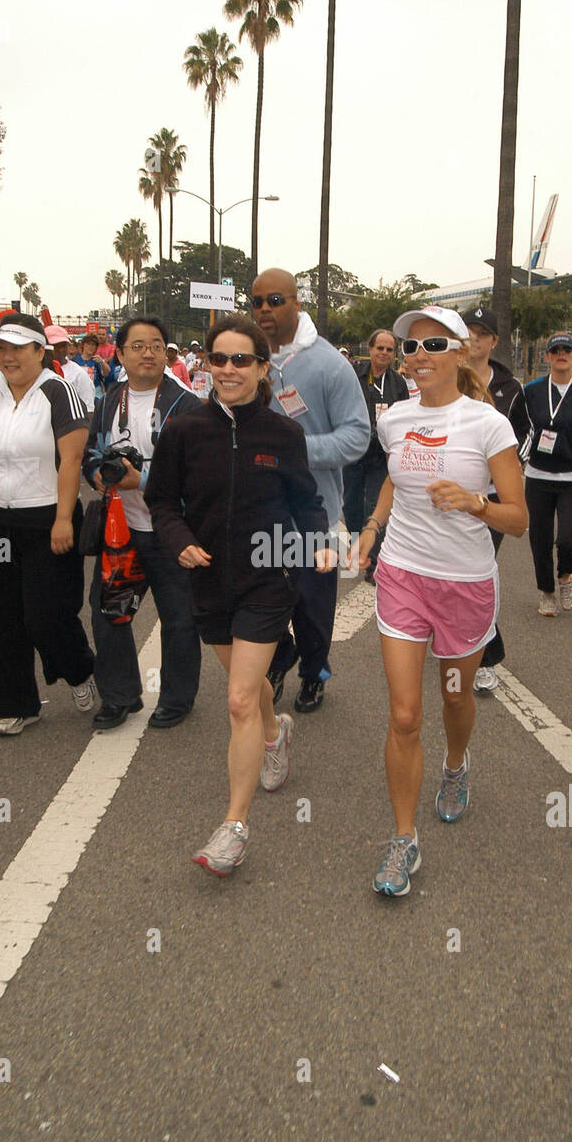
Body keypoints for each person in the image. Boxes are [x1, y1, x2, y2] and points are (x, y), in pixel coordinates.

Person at [146, 313, 331, 875]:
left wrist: (320, 545)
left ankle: (233, 827)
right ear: (206, 364)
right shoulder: (183, 431)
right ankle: (275, 734)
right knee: (248, 695)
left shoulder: (284, 433)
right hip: (207, 583)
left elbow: (307, 504)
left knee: (236, 700)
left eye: (241, 360)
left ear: (261, 366)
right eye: (219, 359)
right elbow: (160, 502)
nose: (228, 370)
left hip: (267, 580)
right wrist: (178, 540)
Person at [358, 308, 527, 896]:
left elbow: (519, 518)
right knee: (404, 714)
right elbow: (392, 478)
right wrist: (375, 524)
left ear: (459, 351)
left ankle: (456, 766)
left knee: (455, 699)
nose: (418, 354)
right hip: (403, 574)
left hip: (465, 584)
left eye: (433, 344)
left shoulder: (487, 425)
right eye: (410, 345)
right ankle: (403, 840)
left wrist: (475, 503)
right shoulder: (396, 419)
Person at [0, 313, 96, 736]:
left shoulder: (58, 392)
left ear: (40, 351)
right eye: (1, 348)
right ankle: (16, 702)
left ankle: (79, 671)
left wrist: (62, 519)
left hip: (47, 518)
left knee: (46, 615)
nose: (8, 356)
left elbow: (70, 460)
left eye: (18, 348)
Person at [252, 267, 370, 711]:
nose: (265, 309)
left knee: (312, 606)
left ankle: (314, 671)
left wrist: (293, 450)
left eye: (275, 300)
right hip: (257, 509)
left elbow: (357, 436)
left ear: (296, 302)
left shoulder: (329, 365)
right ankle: (280, 655)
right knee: (259, 595)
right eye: (258, 301)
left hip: (314, 513)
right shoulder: (246, 359)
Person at [83, 316, 203, 730]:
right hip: (122, 531)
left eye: (155, 345)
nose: (147, 352)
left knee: (179, 619)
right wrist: (98, 472)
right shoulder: (107, 400)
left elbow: (200, 474)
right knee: (108, 611)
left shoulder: (187, 404)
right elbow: (91, 453)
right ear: (119, 354)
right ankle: (119, 696)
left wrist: (145, 481)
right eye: (137, 346)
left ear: (167, 354)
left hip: (171, 533)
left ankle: (177, 697)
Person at [461, 306, 532, 689]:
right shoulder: (444, 377)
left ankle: (487, 655)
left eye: (481, 333)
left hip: (492, 498)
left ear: (493, 341)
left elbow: (525, 433)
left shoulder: (510, 387)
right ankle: (459, 638)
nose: (474, 338)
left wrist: (507, 466)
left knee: (478, 569)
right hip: (452, 495)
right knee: (455, 569)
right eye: (467, 331)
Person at [522, 334, 572, 615]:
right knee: (540, 540)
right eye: (555, 350)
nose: (561, 354)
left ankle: (566, 576)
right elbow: (520, 428)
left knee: (569, 539)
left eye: (566, 350)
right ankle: (546, 592)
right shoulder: (531, 390)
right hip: (538, 475)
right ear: (547, 357)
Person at [342, 328, 409, 583]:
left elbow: (403, 416)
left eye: (389, 349)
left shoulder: (398, 383)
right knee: (351, 504)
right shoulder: (354, 374)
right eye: (379, 348)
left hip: (382, 454)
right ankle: (359, 542)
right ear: (370, 349)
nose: (383, 353)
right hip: (354, 451)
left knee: (375, 504)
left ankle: (374, 560)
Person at [46, 325, 95, 415]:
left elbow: (89, 411)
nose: (61, 349)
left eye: (64, 345)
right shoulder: (34, 372)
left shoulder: (78, 374)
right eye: (55, 346)